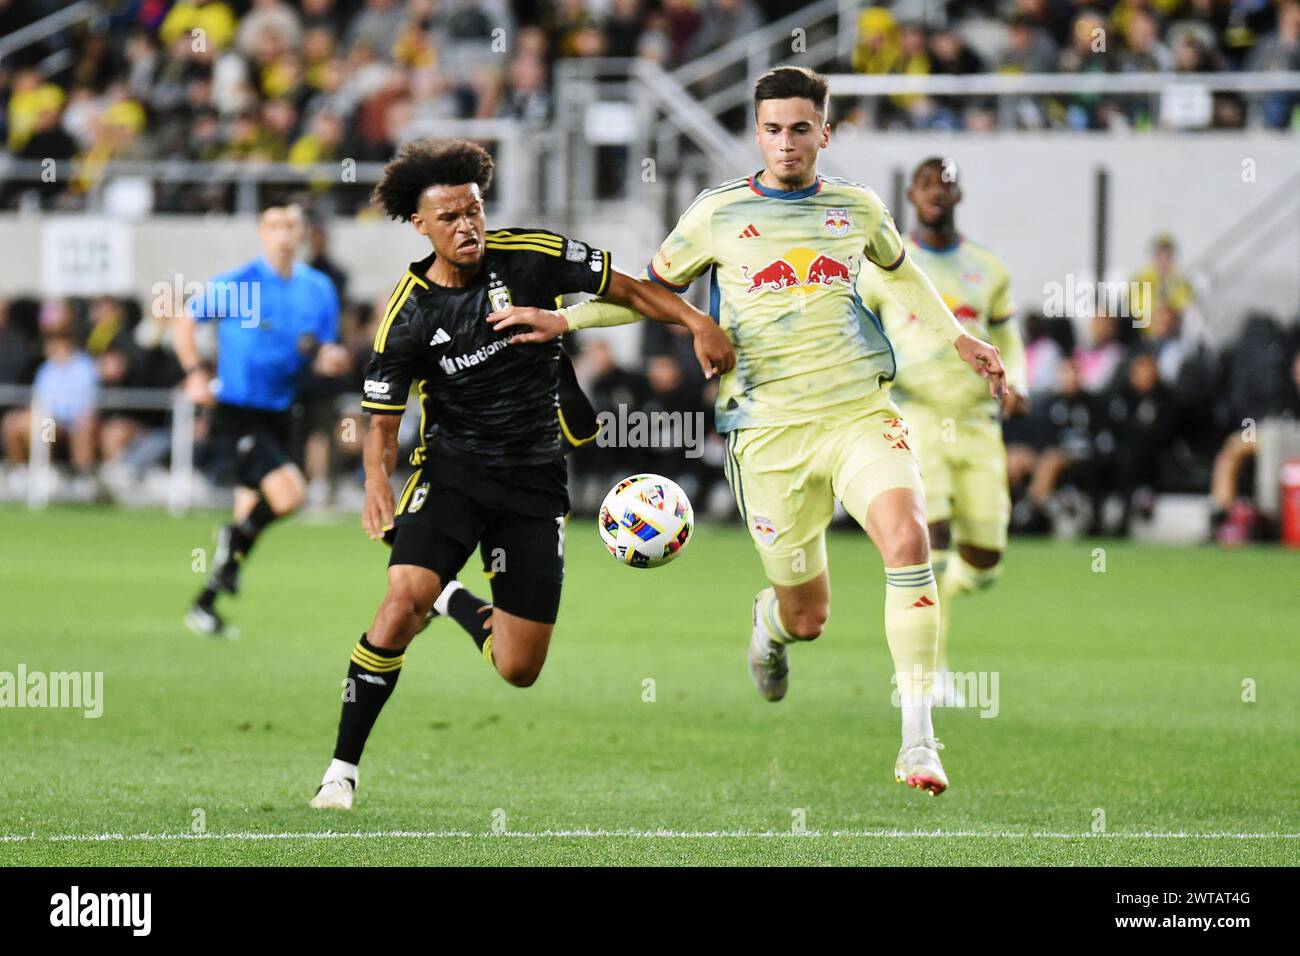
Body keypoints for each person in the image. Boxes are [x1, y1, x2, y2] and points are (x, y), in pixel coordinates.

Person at [495, 67, 1006, 795]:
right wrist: (566, 318)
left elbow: (899, 274)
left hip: (859, 412)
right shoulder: (718, 214)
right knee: (810, 616)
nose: (787, 143)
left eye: (802, 128)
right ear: (757, 133)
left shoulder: (856, 209)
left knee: (909, 539)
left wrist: (960, 338)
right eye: (773, 129)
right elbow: (651, 295)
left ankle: (919, 741)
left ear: (824, 133)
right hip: (767, 434)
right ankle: (771, 620)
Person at [308, 139, 734, 810]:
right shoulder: (409, 315)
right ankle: (341, 771)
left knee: (519, 668)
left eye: (473, 210)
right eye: (448, 217)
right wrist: (373, 486)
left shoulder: (530, 255)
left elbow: (627, 288)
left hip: (535, 481)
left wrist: (695, 320)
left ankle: (450, 598)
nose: (467, 226)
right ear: (419, 225)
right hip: (453, 473)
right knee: (400, 601)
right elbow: (383, 419)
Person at [858, 157, 1027, 706]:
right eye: (927, 184)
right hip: (914, 416)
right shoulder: (883, 268)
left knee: (984, 563)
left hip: (978, 423)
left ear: (960, 194)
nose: (936, 193)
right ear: (911, 193)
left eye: (946, 185)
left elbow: (1007, 334)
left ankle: (944, 607)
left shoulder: (988, 268)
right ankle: (926, 674)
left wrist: (1017, 380)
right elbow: (858, 335)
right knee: (923, 541)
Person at [173, 199, 347, 637]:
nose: (284, 234)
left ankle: (204, 606)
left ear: (303, 231)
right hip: (236, 414)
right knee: (290, 495)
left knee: (249, 519)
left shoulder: (319, 288)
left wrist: (330, 358)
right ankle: (230, 542)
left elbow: (318, 348)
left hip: (282, 412)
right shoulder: (239, 283)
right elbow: (183, 321)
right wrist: (195, 373)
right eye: (275, 225)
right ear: (261, 232)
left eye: (292, 225)